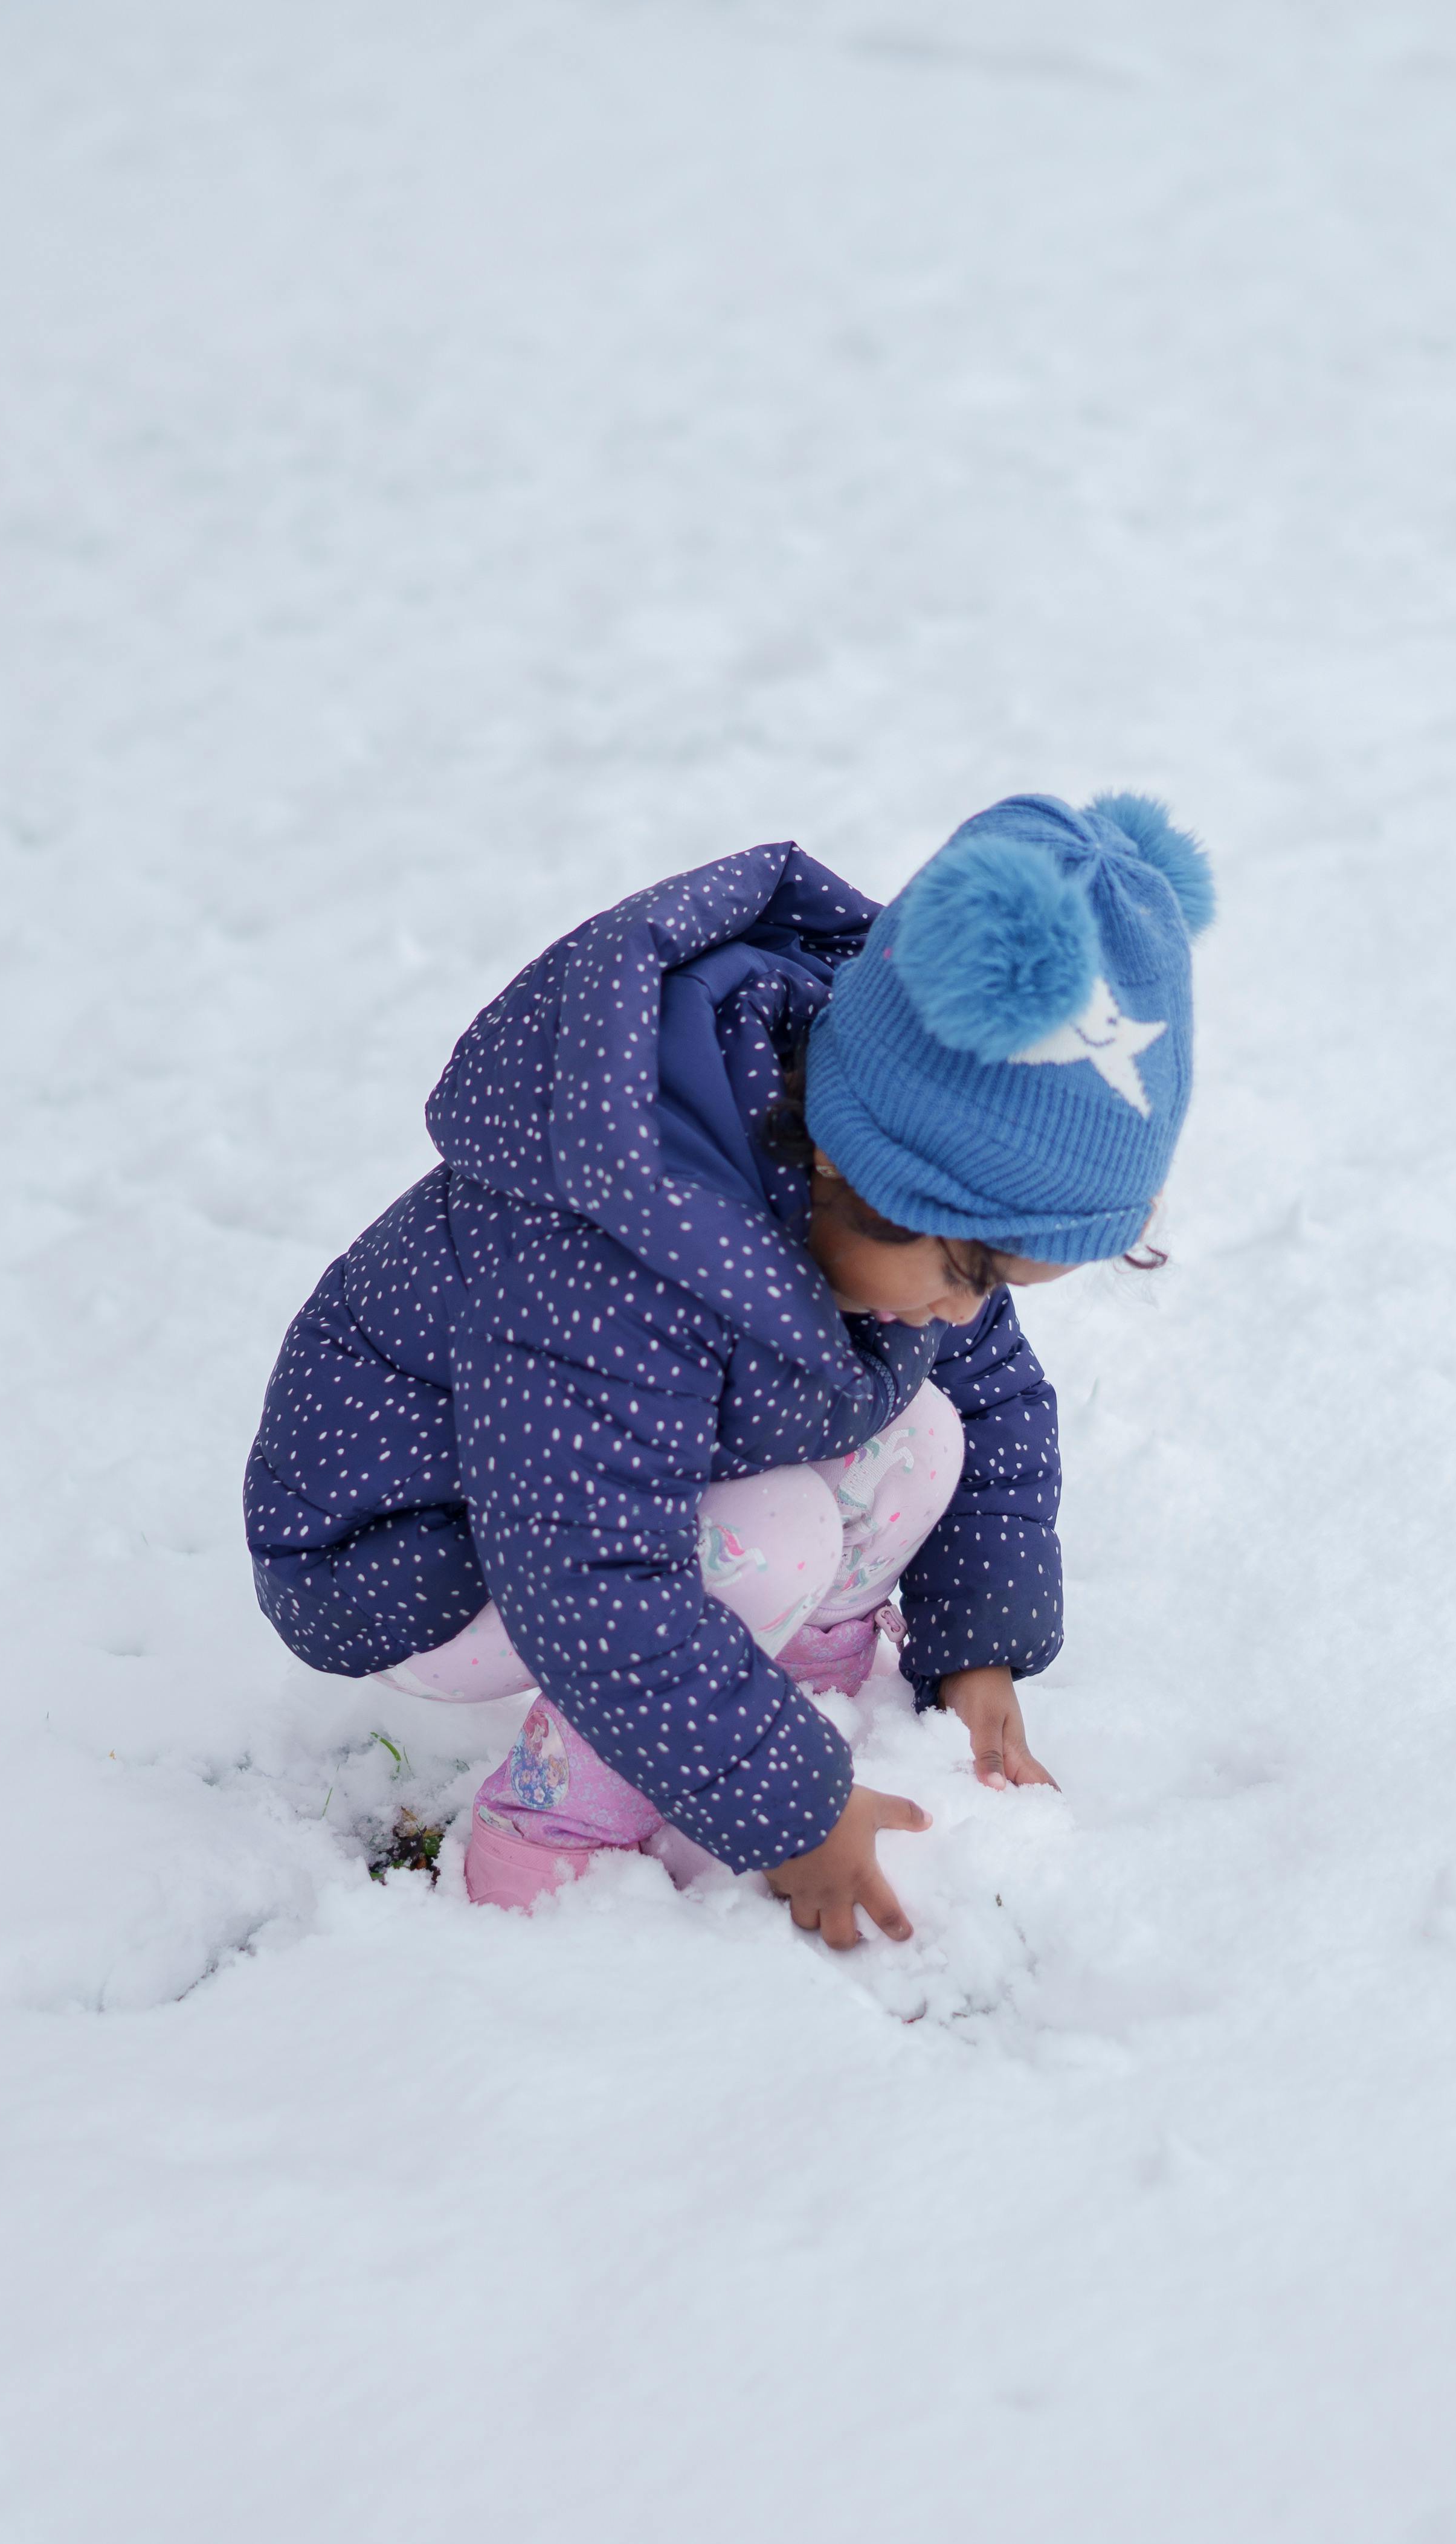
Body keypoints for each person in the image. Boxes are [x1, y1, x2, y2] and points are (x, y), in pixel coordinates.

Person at [241, 792, 1213, 1945]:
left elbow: (995, 1392)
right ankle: (550, 1829)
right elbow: (591, 1575)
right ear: (851, 1164)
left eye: (997, 1283)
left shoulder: (872, 1210)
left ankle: (798, 1680)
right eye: (966, 1268)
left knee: (930, 1432)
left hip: (587, 1506)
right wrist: (790, 1813)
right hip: (412, 1556)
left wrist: (979, 1646)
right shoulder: (614, 1251)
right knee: (776, 1536)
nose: (968, 1307)